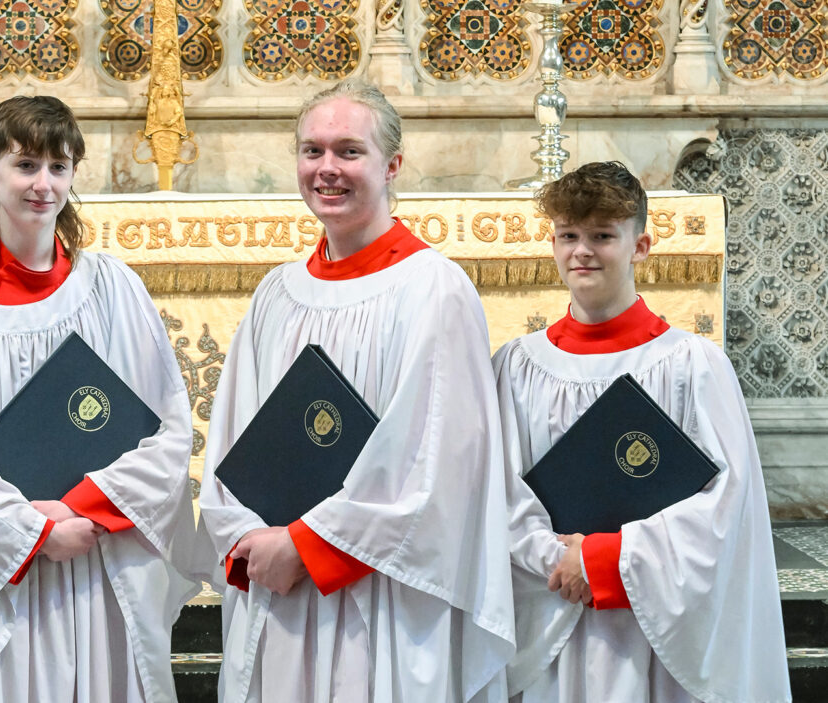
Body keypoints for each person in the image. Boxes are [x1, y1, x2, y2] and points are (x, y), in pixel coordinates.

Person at [197, 79, 515, 702]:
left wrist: (310, 546)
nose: (327, 169)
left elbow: (439, 465)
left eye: (348, 151)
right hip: (282, 591)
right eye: (311, 151)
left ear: (392, 165)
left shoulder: (433, 289)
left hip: (381, 597)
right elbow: (231, 446)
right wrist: (247, 540)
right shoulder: (277, 294)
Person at [0, 95, 199, 702]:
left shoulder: (112, 288)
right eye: (26, 165)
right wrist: (30, 532)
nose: (43, 184)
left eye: (59, 168)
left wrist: (83, 508)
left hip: (96, 550)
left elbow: (168, 425)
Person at [496, 161, 791, 702]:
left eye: (603, 236)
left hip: (653, 625)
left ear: (641, 246)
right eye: (569, 236)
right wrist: (556, 559)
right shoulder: (516, 366)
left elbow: (726, 503)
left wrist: (606, 559)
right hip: (550, 602)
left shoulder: (691, 364)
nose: (582, 251)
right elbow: (497, 488)